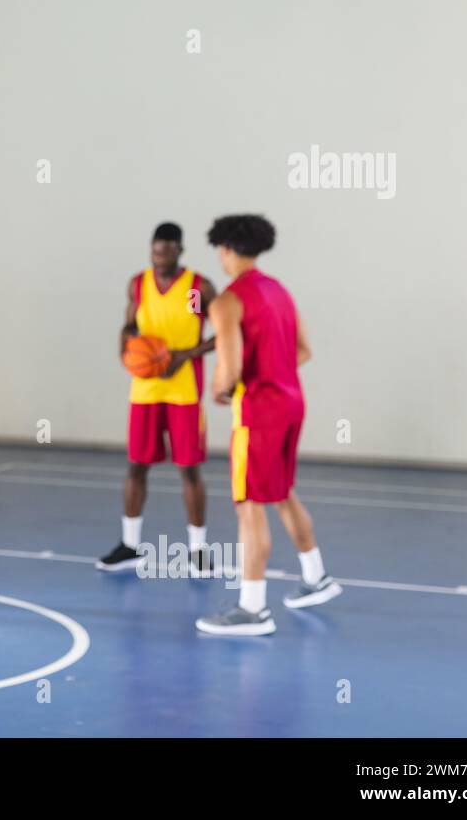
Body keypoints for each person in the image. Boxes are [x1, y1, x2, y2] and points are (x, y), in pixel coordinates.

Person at [195, 214, 342, 636]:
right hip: (292, 403)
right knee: (280, 492)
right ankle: (316, 577)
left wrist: (220, 389)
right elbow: (304, 350)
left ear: (225, 250)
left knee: (248, 505)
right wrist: (271, 371)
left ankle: (252, 608)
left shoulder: (227, 301)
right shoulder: (280, 291)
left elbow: (230, 368)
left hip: (257, 413)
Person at [98, 223, 216, 577]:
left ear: (180, 250)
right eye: (155, 251)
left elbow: (224, 333)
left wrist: (184, 355)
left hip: (184, 391)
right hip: (145, 389)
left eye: (167, 251)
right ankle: (131, 545)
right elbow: (128, 327)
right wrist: (126, 348)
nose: (160, 256)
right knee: (137, 465)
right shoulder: (139, 283)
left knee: (189, 469)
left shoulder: (199, 287)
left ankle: (197, 550)